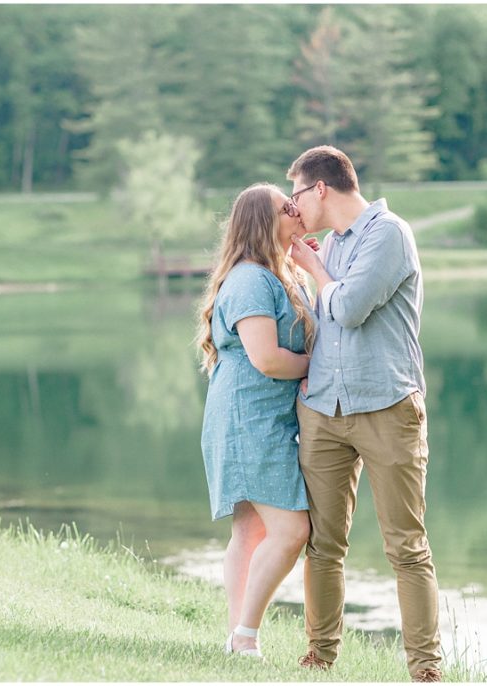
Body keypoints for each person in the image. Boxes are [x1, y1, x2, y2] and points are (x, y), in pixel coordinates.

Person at [284, 146, 442, 682]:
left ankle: (424, 668)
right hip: (324, 410)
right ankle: (320, 657)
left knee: (406, 546)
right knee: (323, 545)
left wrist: (310, 268)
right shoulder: (330, 244)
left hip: (387, 408)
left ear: (321, 189)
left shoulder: (389, 233)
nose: (293, 204)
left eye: (296, 193)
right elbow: (329, 320)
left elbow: (349, 308)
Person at [195, 183, 319, 659]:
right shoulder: (250, 279)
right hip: (248, 418)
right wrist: (321, 365)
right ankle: (245, 634)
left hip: (263, 415)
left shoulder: (281, 273)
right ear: (264, 222)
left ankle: (236, 637)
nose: (296, 209)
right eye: (285, 207)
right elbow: (267, 359)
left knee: (250, 532)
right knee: (291, 531)